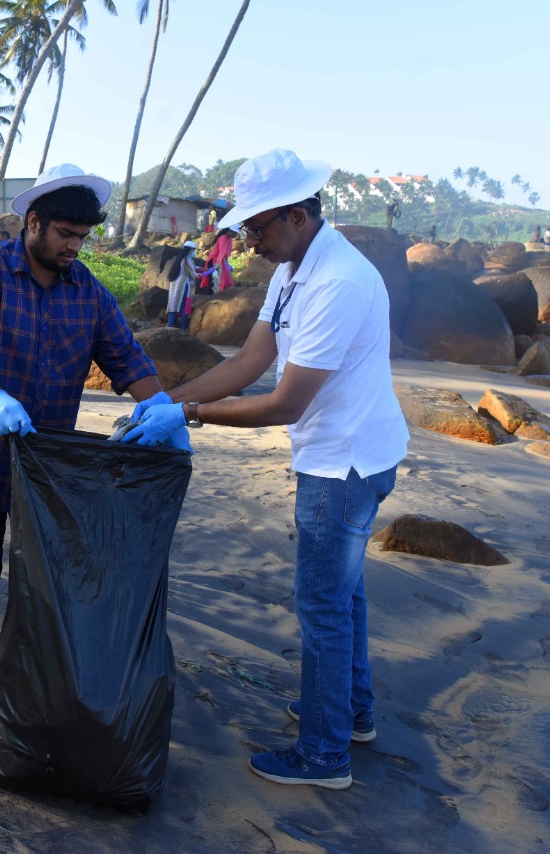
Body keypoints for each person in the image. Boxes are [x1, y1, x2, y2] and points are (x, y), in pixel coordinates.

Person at [125, 149, 408, 790]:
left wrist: (191, 415)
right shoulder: (293, 268)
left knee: (323, 605)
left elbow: (285, 402)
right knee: (346, 594)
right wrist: (163, 402)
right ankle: (349, 714)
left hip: (346, 464)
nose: (248, 240)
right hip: (340, 450)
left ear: (300, 216)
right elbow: (251, 359)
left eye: (257, 226)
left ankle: (324, 754)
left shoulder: (338, 281)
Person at [0, 162, 184, 711]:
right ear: (34, 222)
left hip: (43, 464)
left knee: (41, 565)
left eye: (83, 238)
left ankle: (30, 657)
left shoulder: (86, 291)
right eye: (66, 235)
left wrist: (159, 407)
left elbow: (126, 357)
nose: (75, 248)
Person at [166, 240, 199, 330]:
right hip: (184, 286)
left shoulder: (180, 258)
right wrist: (207, 272)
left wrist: (204, 269)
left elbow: (195, 267)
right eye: (193, 250)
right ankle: (183, 330)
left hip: (174, 285)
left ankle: (169, 329)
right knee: (184, 308)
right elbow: (195, 275)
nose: (194, 252)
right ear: (190, 250)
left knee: (173, 307)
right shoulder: (188, 259)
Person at [198, 228, 235, 292]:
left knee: (226, 276)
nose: (235, 234)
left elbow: (226, 253)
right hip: (216, 260)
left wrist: (226, 264)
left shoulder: (230, 239)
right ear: (229, 231)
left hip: (223, 260)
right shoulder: (222, 238)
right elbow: (222, 253)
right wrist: (226, 264)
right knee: (219, 277)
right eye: (234, 232)